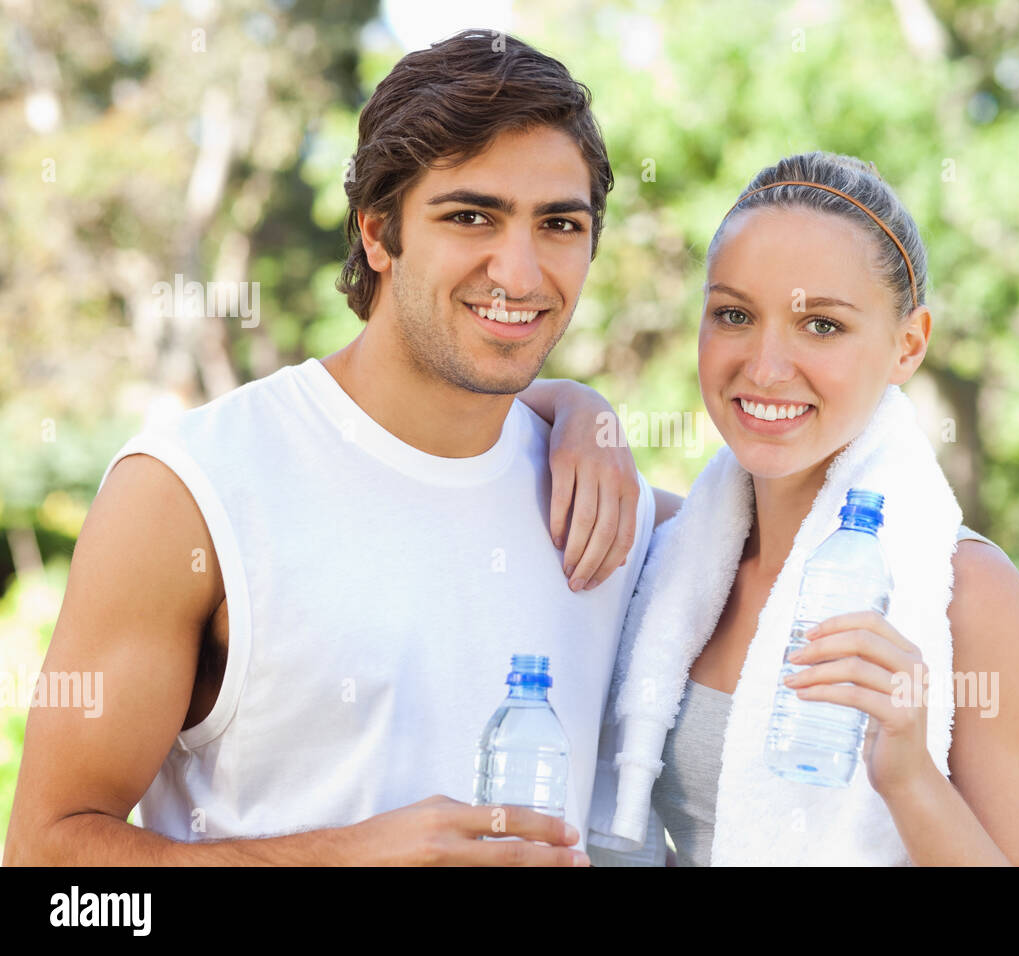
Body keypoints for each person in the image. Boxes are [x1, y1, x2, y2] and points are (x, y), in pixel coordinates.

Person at [4, 30, 667, 867]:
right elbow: (48, 864)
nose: (521, 271)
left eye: (559, 224)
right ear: (378, 234)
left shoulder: (615, 511)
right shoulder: (189, 493)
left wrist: (584, 407)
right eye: (471, 215)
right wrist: (344, 857)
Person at [587, 152, 1019, 866]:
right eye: (733, 315)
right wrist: (574, 405)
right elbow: (505, 437)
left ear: (908, 345)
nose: (766, 365)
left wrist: (910, 777)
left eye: (821, 325)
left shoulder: (972, 599)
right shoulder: (665, 554)